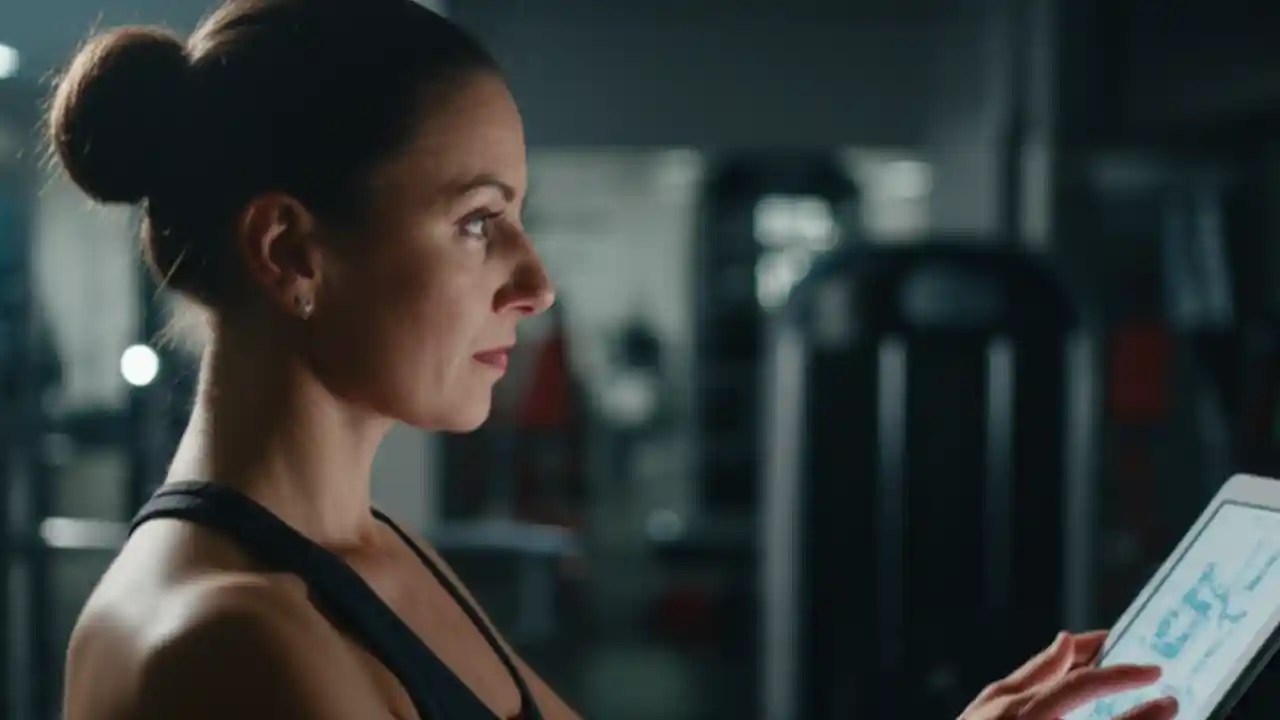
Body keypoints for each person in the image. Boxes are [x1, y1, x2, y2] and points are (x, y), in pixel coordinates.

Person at [49, 1, 1176, 718]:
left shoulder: (376, 555)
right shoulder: (231, 645)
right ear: (291, 250)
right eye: (479, 220)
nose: (535, 282)